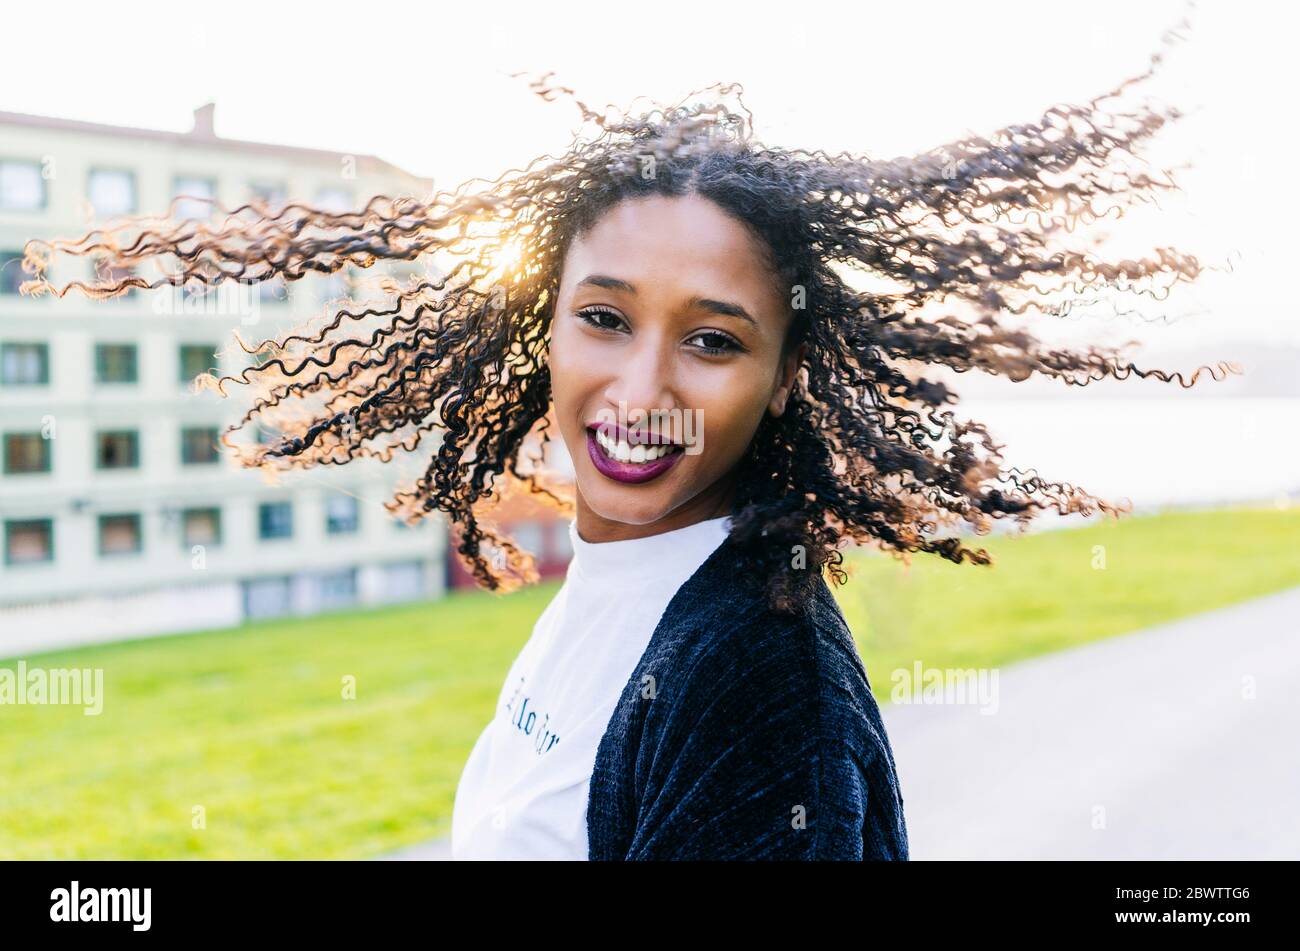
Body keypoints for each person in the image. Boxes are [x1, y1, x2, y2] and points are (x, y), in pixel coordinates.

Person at [21, 17, 1233, 860]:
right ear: (539, 324)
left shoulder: (759, 687)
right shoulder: (621, 584)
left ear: (782, 376)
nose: (639, 386)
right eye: (603, 318)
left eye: (712, 341)